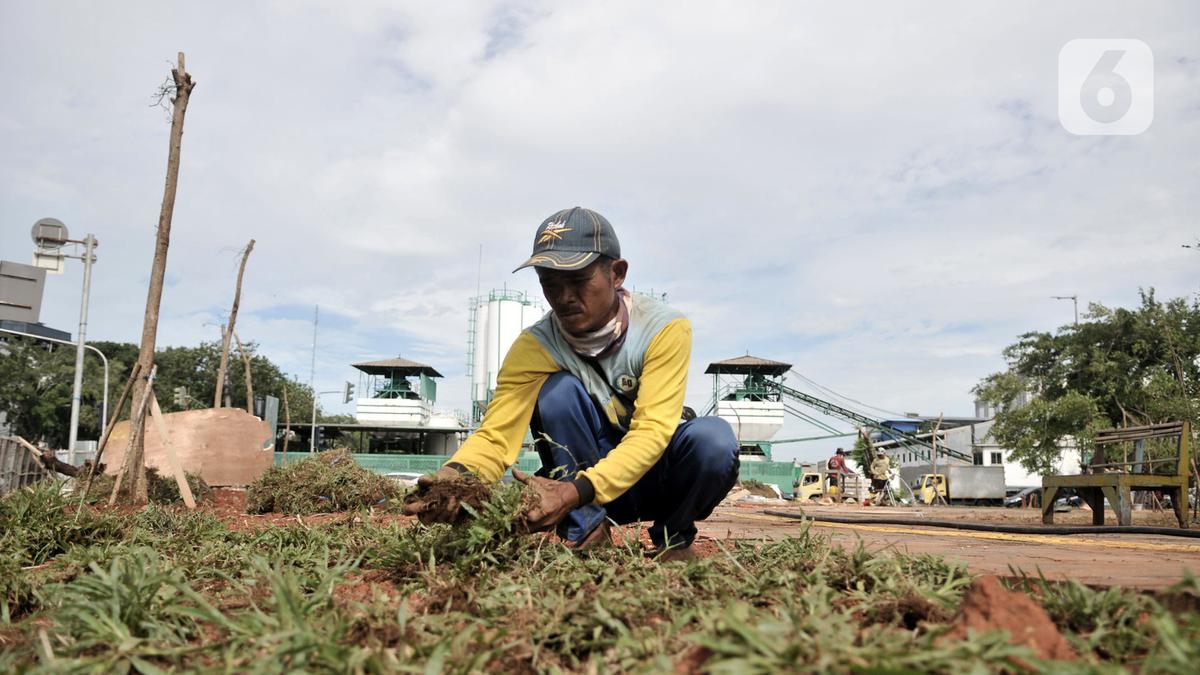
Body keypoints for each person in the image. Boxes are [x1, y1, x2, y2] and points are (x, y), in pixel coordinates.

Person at [403, 207, 740, 561]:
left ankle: (674, 540)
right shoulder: (535, 346)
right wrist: (453, 476)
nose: (563, 296)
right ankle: (589, 532)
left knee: (712, 441)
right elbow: (496, 436)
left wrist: (577, 490)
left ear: (617, 273)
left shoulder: (662, 329)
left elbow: (653, 431)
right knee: (558, 393)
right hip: (581, 489)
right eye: (550, 283)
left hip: (649, 479)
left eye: (578, 281)